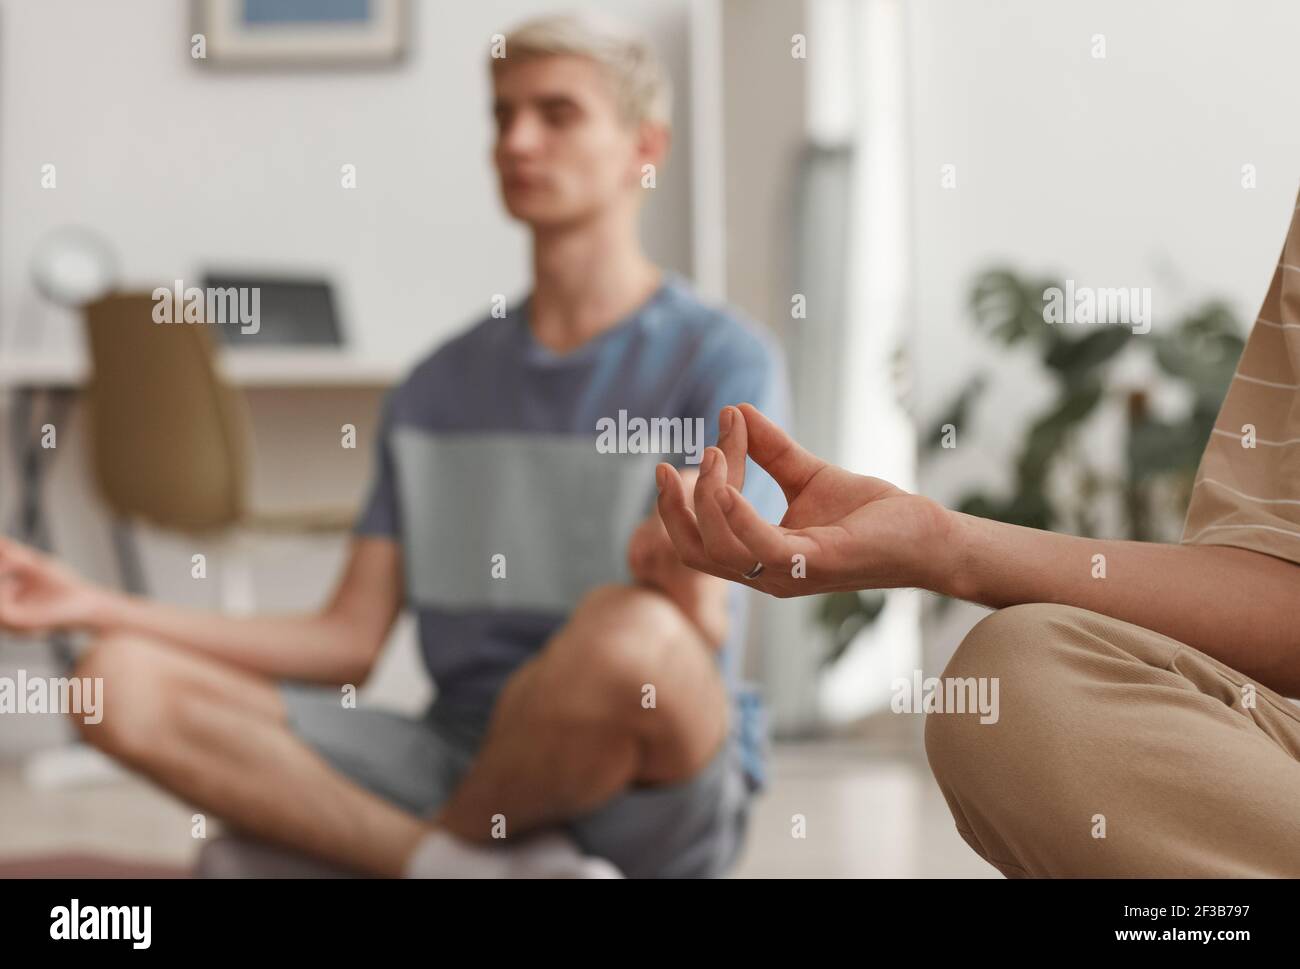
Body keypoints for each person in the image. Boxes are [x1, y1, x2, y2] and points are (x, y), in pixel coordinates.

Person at [0, 13, 787, 879]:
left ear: (645, 145)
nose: (517, 140)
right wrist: (93, 605)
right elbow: (346, 640)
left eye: (556, 113)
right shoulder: (434, 386)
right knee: (113, 679)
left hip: (643, 780)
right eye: (501, 115)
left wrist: (668, 576)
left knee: (631, 635)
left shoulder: (721, 358)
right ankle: (458, 866)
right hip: (452, 755)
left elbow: (693, 634)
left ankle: (383, 856)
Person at [655, 189, 1300, 877]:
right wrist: (942, 545)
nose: (522, 144)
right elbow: (1282, 593)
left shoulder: (716, 348)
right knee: (1016, 685)